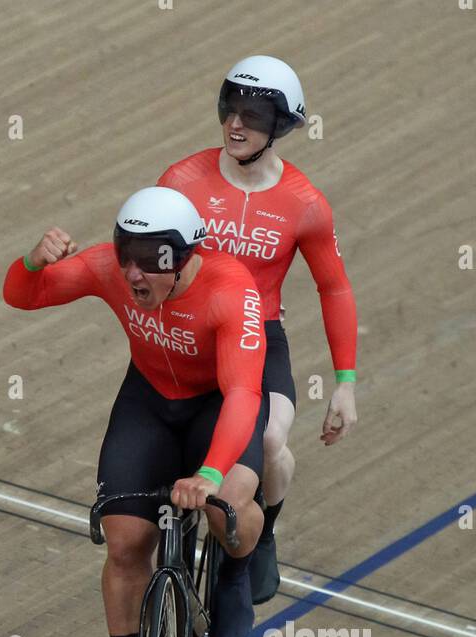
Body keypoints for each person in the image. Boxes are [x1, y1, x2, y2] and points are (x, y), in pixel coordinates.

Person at [3, 186, 267, 637]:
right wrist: (33, 261)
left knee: (230, 505)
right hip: (149, 402)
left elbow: (245, 393)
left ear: (185, 256)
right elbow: (22, 297)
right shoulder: (112, 269)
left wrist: (211, 473)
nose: (134, 276)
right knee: (125, 544)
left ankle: (236, 571)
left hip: (218, 405)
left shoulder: (229, 290)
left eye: (151, 262)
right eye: (127, 257)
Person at [157, 55, 358, 604]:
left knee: (270, 438)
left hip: (259, 335)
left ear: (284, 126)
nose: (235, 124)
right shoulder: (181, 181)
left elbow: (334, 288)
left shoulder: (304, 204)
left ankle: (262, 532)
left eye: (254, 115)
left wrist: (344, 381)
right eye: (229, 108)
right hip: (188, 335)